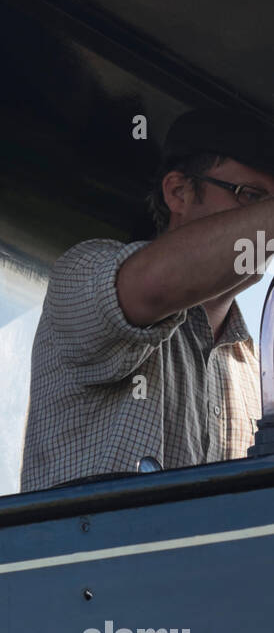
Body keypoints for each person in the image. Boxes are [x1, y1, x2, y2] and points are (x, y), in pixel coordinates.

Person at [20, 108, 274, 491]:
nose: (265, 229)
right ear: (178, 192)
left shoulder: (251, 370)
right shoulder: (81, 273)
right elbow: (151, 286)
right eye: (251, 197)